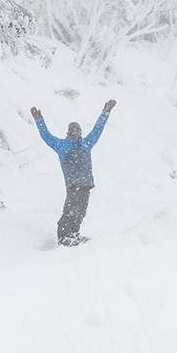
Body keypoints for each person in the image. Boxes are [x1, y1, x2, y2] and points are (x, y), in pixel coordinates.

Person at [30, 99, 116, 246]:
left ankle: (74, 234)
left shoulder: (86, 144)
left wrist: (106, 111)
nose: (75, 132)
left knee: (81, 212)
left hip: (86, 185)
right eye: (73, 130)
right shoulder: (62, 145)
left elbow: (97, 129)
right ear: (68, 132)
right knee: (70, 211)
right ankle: (63, 237)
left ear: (80, 132)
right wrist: (39, 119)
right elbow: (46, 136)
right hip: (73, 185)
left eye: (77, 130)